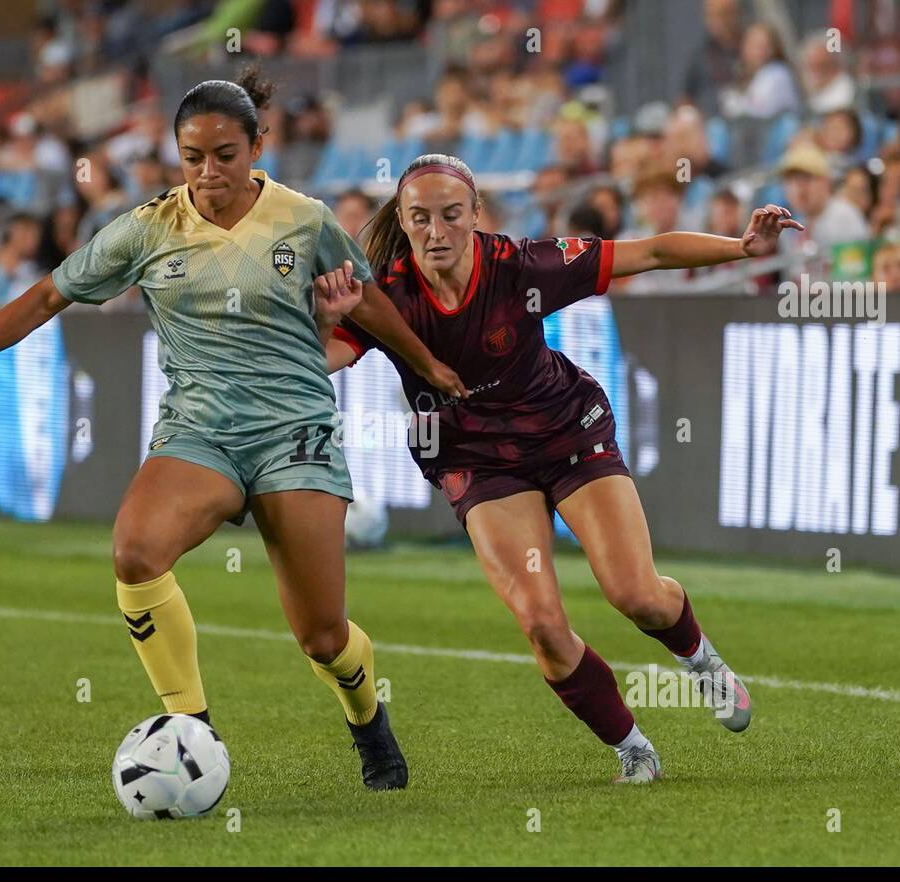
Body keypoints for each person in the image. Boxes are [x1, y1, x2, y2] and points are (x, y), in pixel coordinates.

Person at [0, 70, 466, 792]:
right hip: (199, 431)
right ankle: (192, 731)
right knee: (135, 553)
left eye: (224, 155)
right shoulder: (148, 227)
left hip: (294, 431)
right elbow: (50, 293)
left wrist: (427, 363)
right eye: (192, 156)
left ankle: (369, 725)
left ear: (257, 147)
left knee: (323, 636)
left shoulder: (305, 220)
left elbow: (364, 300)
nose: (208, 171)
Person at [319, 154, 803, 783]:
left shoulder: (523, 265)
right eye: (420, 219)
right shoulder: (386, 296)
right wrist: (324, 316)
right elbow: (322, 357)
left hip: (566, 433)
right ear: (403, 222)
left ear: (475, 216)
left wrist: (743, 247)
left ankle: (699, 657)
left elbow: (650, 253)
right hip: (475, 460)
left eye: (450, 216)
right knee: (543, 626)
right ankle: (632, 746)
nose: (436, 231)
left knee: (638, 596)